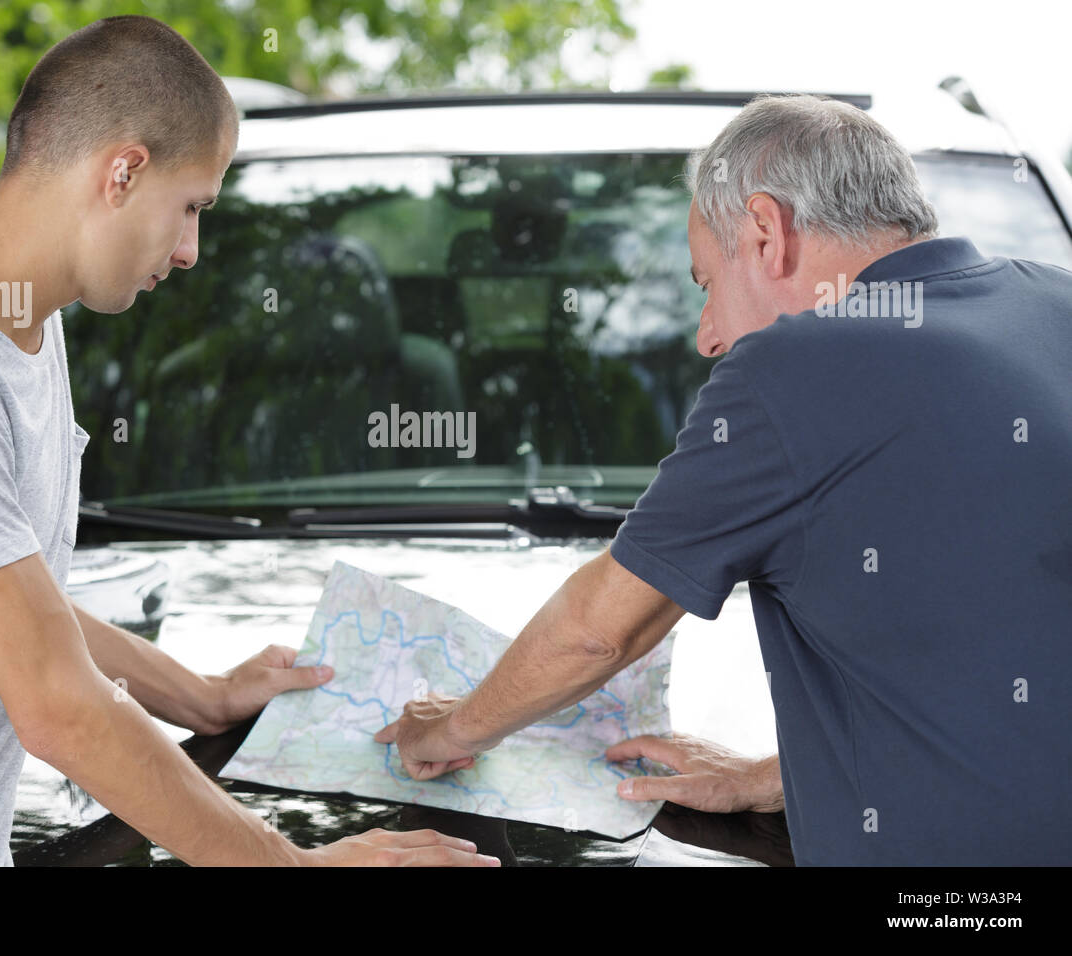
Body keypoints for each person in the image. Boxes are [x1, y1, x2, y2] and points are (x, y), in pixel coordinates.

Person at [0, 14, 495, 867]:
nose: (190, 250)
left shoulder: (19, 320)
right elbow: (57, 703)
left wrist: (204, 697)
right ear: (122, 171)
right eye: (191, 207)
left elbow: (13, 602)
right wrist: (297, 866)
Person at [378, 93, 1072, 866]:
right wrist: (787, 777)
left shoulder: (798, 365)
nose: (709, 335)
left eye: (705, 282)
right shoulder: (1059, 301)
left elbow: (602, 629)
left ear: (768, 233)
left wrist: (445, 732)